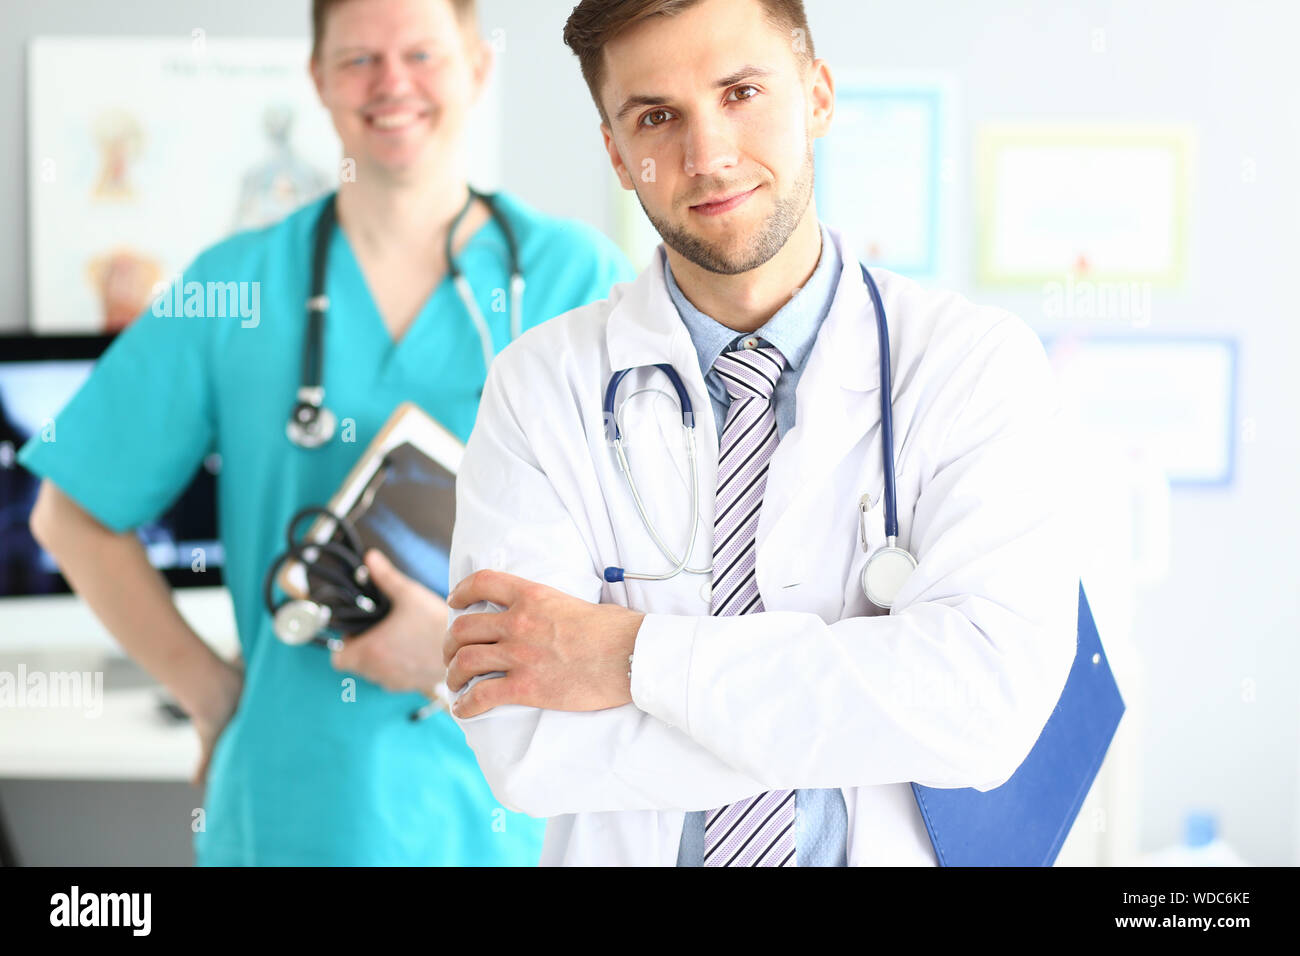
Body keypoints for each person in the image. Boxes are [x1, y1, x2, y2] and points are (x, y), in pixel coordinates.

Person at [441, 0, 1080, 866]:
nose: (708, 157)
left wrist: (629, 657)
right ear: (617, 155)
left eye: (740, 91)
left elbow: (982, 711)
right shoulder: (537, 389)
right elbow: (527, 748)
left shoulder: (974, 368)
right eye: (656, 117)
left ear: (817, 95)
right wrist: (862, 707)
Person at [22, 0, 633, 866]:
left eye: (422, 53)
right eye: (357, 59)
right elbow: (70, 512)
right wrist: (211, 694)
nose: (392, 83)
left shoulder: (580, 278)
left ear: (477, 67)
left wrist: (457, 655)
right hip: (293, 804)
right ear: (316, 78)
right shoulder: (234, 285)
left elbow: (655, 568)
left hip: (515, 819)